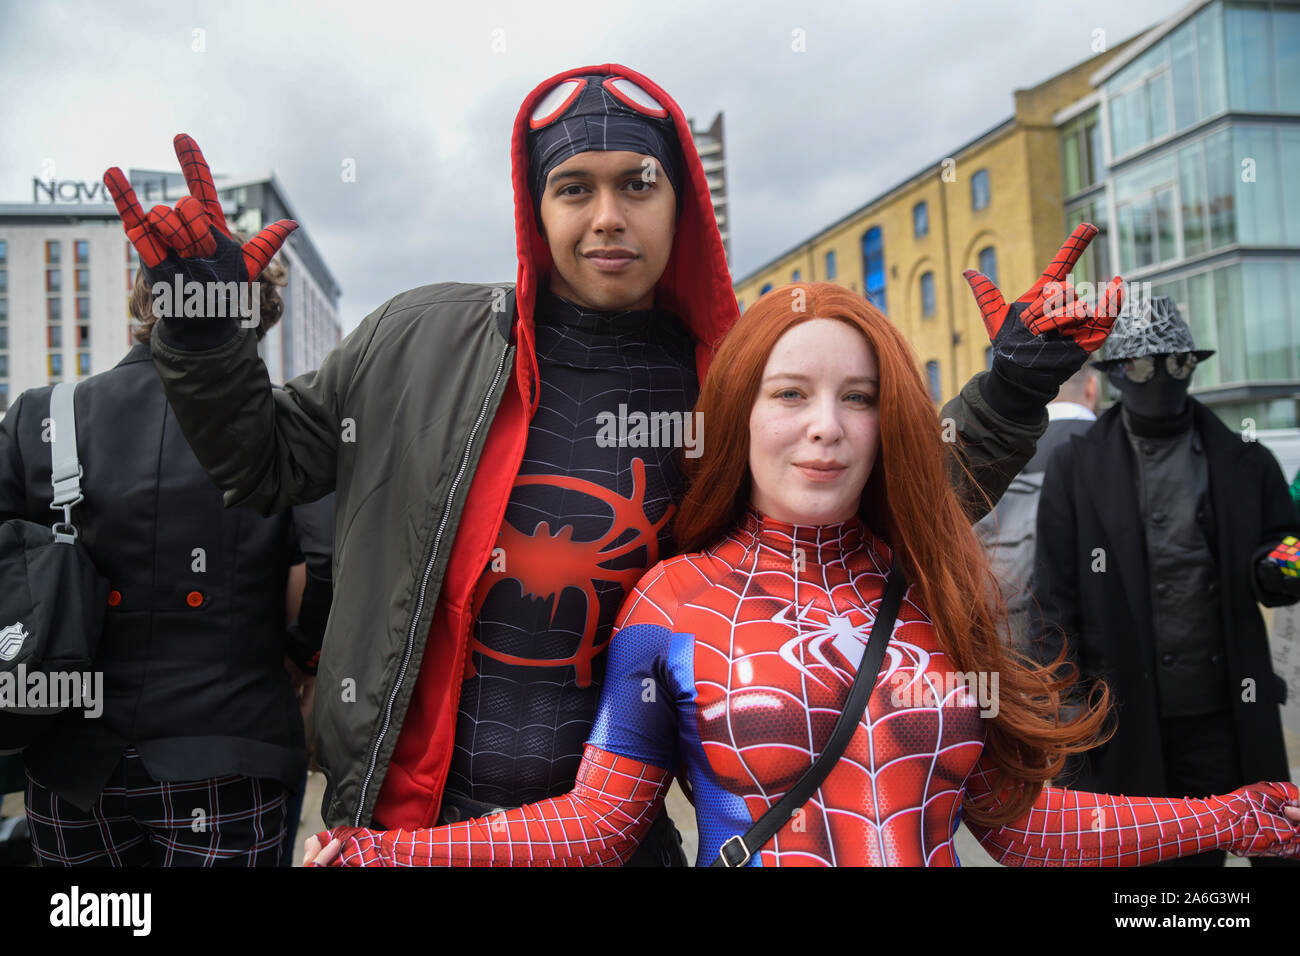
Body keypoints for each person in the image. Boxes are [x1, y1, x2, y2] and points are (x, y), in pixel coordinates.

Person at [102, 64, 1120, 865]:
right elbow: (262, 464)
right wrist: (203, 332)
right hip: (406, 815)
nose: (604, 216)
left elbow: (897, 506)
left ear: (679, 204)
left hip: (617, 830)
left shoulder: (729, 385)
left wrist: (1013, 389)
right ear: (532, 206)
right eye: (571, 187)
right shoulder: (418, 338)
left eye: (637, 184)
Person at [303, 282, 1300, 866]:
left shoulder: (935, 585)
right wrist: (386, 848)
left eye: (858, 397)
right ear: (739, 413)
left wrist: (1233, 812)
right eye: (790, 392)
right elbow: (603, 819)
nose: (825, 424)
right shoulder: (673, 599)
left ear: (889, 423)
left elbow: (1015, 820)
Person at [0, 251, 331, 866]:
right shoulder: (284, 423)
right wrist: (300, 654)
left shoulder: (41, 417)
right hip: (232, 750)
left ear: (142, 304)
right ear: (257, 315)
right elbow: (327, 560)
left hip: (72, 761)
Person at [1032, 295, 1300, 867]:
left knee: (1261, 846)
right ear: (1116, 375)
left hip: (1228, 714)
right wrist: (1066, 713)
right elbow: (1052, 599)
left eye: (1175, 364)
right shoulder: (1077, 467)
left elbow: (1279, 558)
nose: (1161, 377)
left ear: (1192, 366)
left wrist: (1281, 567)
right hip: (1123, 718)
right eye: (1143, 366)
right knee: (1149, 872)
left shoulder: (1246, 460)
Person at [974, 365, 1098, 657]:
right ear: (1091, 388)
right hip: (1097, 665)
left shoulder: (993, 459)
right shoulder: (1116, 450)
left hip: (1014, 658)